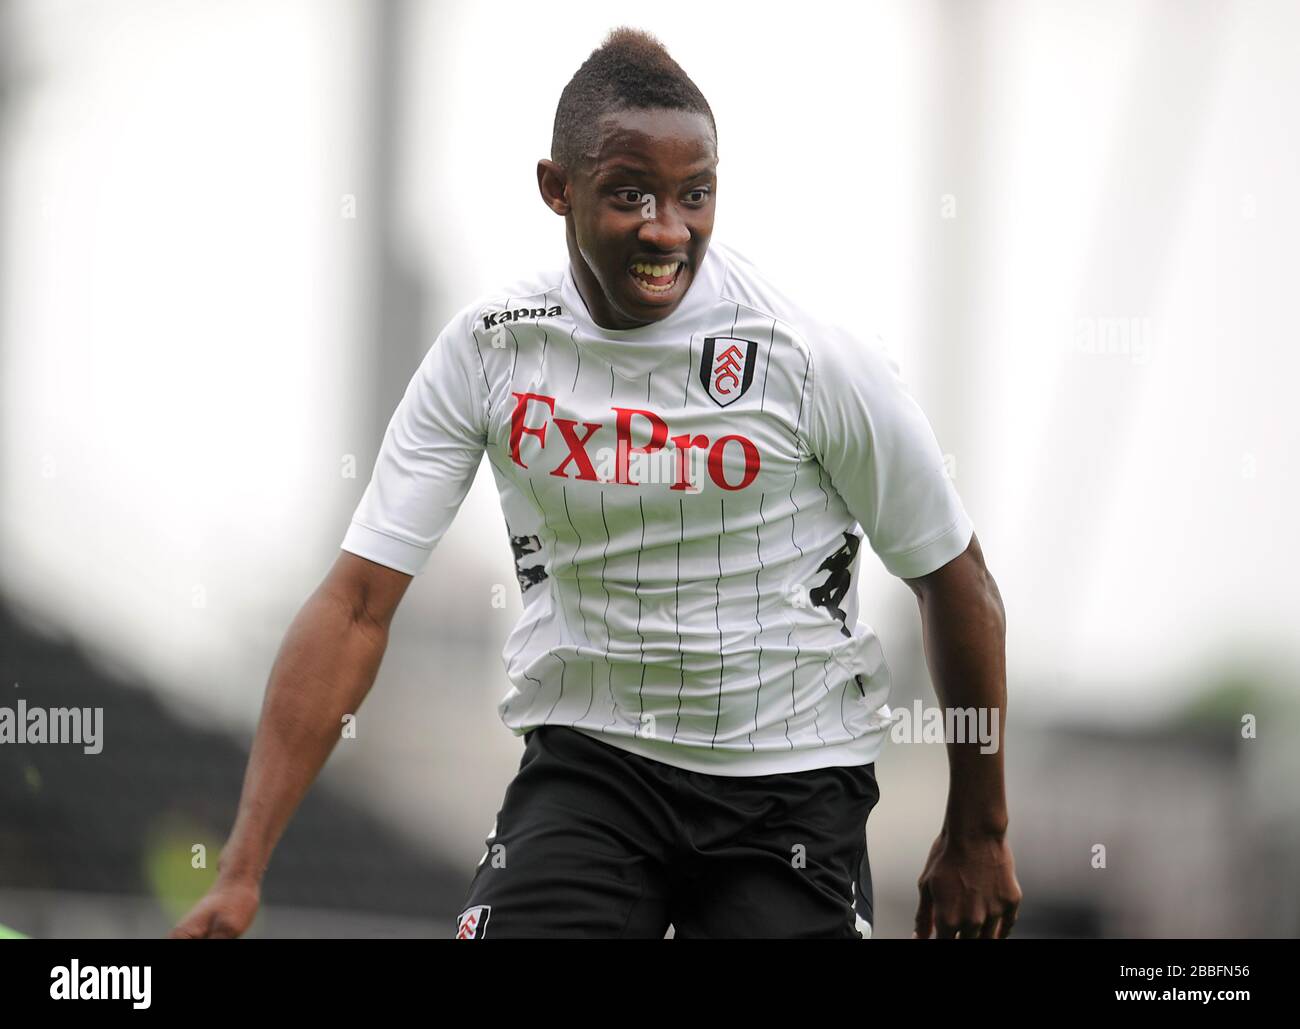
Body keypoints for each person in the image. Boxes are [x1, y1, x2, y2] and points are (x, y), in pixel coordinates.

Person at [171, 26, 1020, 941]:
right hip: (593, 770)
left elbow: (954, 579)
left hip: (790, 788)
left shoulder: (812, 359)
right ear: (556, 188)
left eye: (695, 195)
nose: (668, 228)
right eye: (631, 194)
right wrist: (241, 869)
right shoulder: (493, 348)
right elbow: (356, 606)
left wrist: (978, 828)